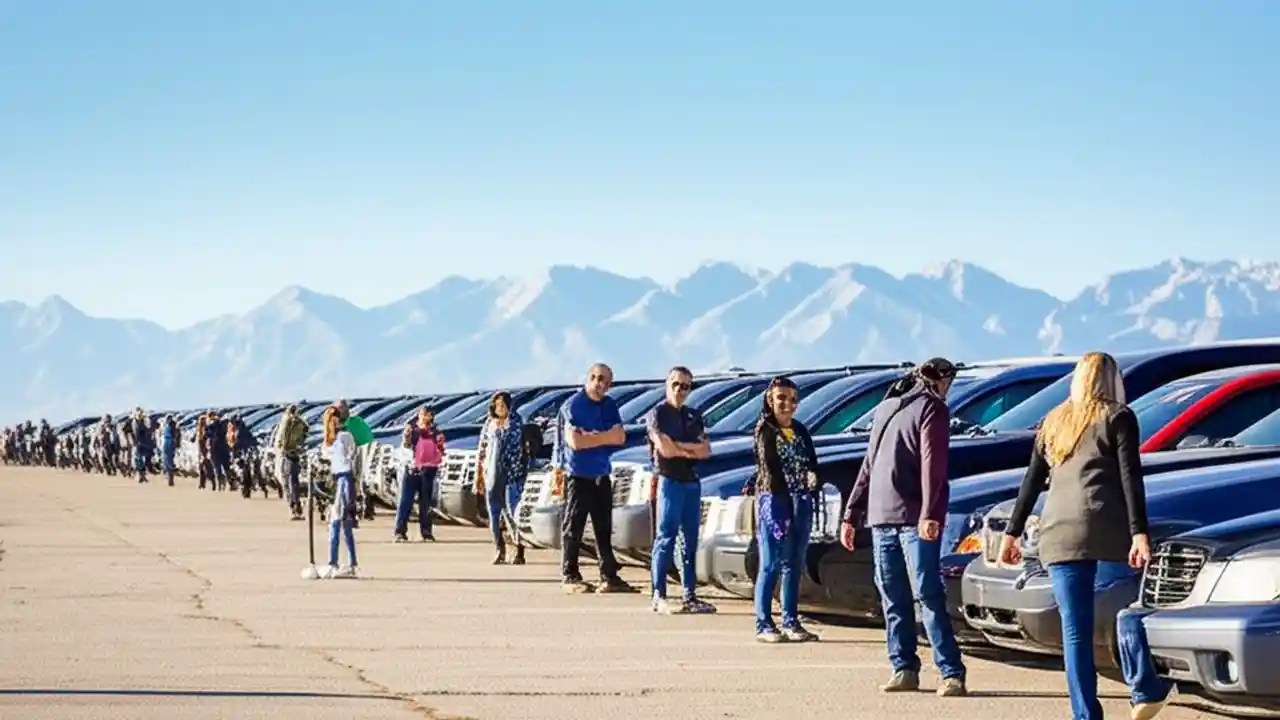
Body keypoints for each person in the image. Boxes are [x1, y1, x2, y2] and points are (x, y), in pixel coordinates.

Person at [999, 351, 1153, 720]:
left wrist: (1012, 533)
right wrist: (1139, 533)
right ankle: (1144, 687)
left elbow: (1031, 481)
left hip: (1057, 533)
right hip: (1104, 529)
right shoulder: (1118, 417)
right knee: (1130, 607)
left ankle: (1085, 714)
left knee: (1076, 631)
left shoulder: (1054, 421)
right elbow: (1130, 477)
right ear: (1112, 381)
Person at [840, 358, 967, 695]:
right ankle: (942, 670)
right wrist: (931, 513)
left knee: (896, 596)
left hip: (885, 516)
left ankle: (910, 667)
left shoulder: (887, 406)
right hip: (907, 518)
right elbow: (933, 466)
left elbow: (867, 465)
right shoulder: (932, 409)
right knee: (922, 594)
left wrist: (852, 512)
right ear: (941, 381)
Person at [749, 376, 821, 643]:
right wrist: (781, 501)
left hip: (801, 499)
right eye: (781, 398)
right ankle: (763, 622)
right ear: (770, 399)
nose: (787, 404)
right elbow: (769, 466)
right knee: (771, 563)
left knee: (794, 562)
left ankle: (791, 619)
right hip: (774, 500)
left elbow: (812, 462)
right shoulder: (765, 429)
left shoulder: (800, 431)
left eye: (792, 399)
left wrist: (812, 483)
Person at [552, 362, 634, 594]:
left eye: (604, 381)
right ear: (588, 378)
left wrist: (594, 437)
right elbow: (575, 442)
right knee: (574, 525)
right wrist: (603, 436)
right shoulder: (574, 405)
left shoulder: (609, 405)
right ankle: (570, 574)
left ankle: (608, 575)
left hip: (601, 472)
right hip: (577, 473)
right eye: (595, 378)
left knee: (603, 527)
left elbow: (619, 437)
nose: (599, 384)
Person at [645, 366, 714, 614]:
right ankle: (658, 593)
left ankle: (690, 594)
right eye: (675, 384)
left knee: (690, 540)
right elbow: (665, 448)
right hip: (669, 480)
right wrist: (687, 449)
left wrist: (681, 448)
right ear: (667, 385)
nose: (680, 390)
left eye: (685, 386)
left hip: (691, 482)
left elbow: (705, 450)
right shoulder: (657, 414)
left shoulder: (693, 416)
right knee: (666, 536)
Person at [475, 392, 529, 565]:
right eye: (497, 405)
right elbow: (482, 449)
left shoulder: (515, 422)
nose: (501, 408)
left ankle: (518, 549)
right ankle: (499, 548)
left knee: (512, 513)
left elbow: (515, 450)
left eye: (504, 405)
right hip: (491, 474)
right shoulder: (488, 424)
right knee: (494, 513)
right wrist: (479, 475)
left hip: (511, 475)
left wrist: (502, 431)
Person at [396, 407, 444, 543]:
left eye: (427, 415)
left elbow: (440, 450)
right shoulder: (411, 430)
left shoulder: (435, 432)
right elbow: (405, 447)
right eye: (422, 415)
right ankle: (400, 531)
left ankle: (426, 532)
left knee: (426, 503)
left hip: (428, 470)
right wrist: (407, 437)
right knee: (405, 501)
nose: (424, 417)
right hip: (411, 469)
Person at [322, 407, 359, 579]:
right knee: (337, 523)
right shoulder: (329, 440)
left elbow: (351, 455)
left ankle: (340, 562)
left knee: (341, 522)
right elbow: (326, 456)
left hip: (345, 478)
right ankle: (339, 561)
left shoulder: (345, 436)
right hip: (335, 479)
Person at [274, 404, 309, 520]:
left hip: (286, 454)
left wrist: (281, 447)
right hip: (294, 453)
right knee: (294, 481)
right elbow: (306, 431)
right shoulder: (300, 422)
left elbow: (281, 438)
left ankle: (293, 506)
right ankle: (297, 505)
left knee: (287, 481)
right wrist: (300, 443)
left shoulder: (286, 421)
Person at [130, 408, 154, 484]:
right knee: (139, 460)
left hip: (142, 443)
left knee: (141, 460)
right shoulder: (135, 423)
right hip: (139, 443)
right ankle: (140, 476)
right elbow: (137, 433)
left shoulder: (140, 422)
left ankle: (142, 476)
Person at [160, 414, 179, 486]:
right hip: (167, 442)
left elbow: (174, 435)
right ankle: (169, 479)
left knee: (169, 461)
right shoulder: (167, 426)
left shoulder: (172, 426)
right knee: (166, 460)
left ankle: (170, 480)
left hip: (169, 442)